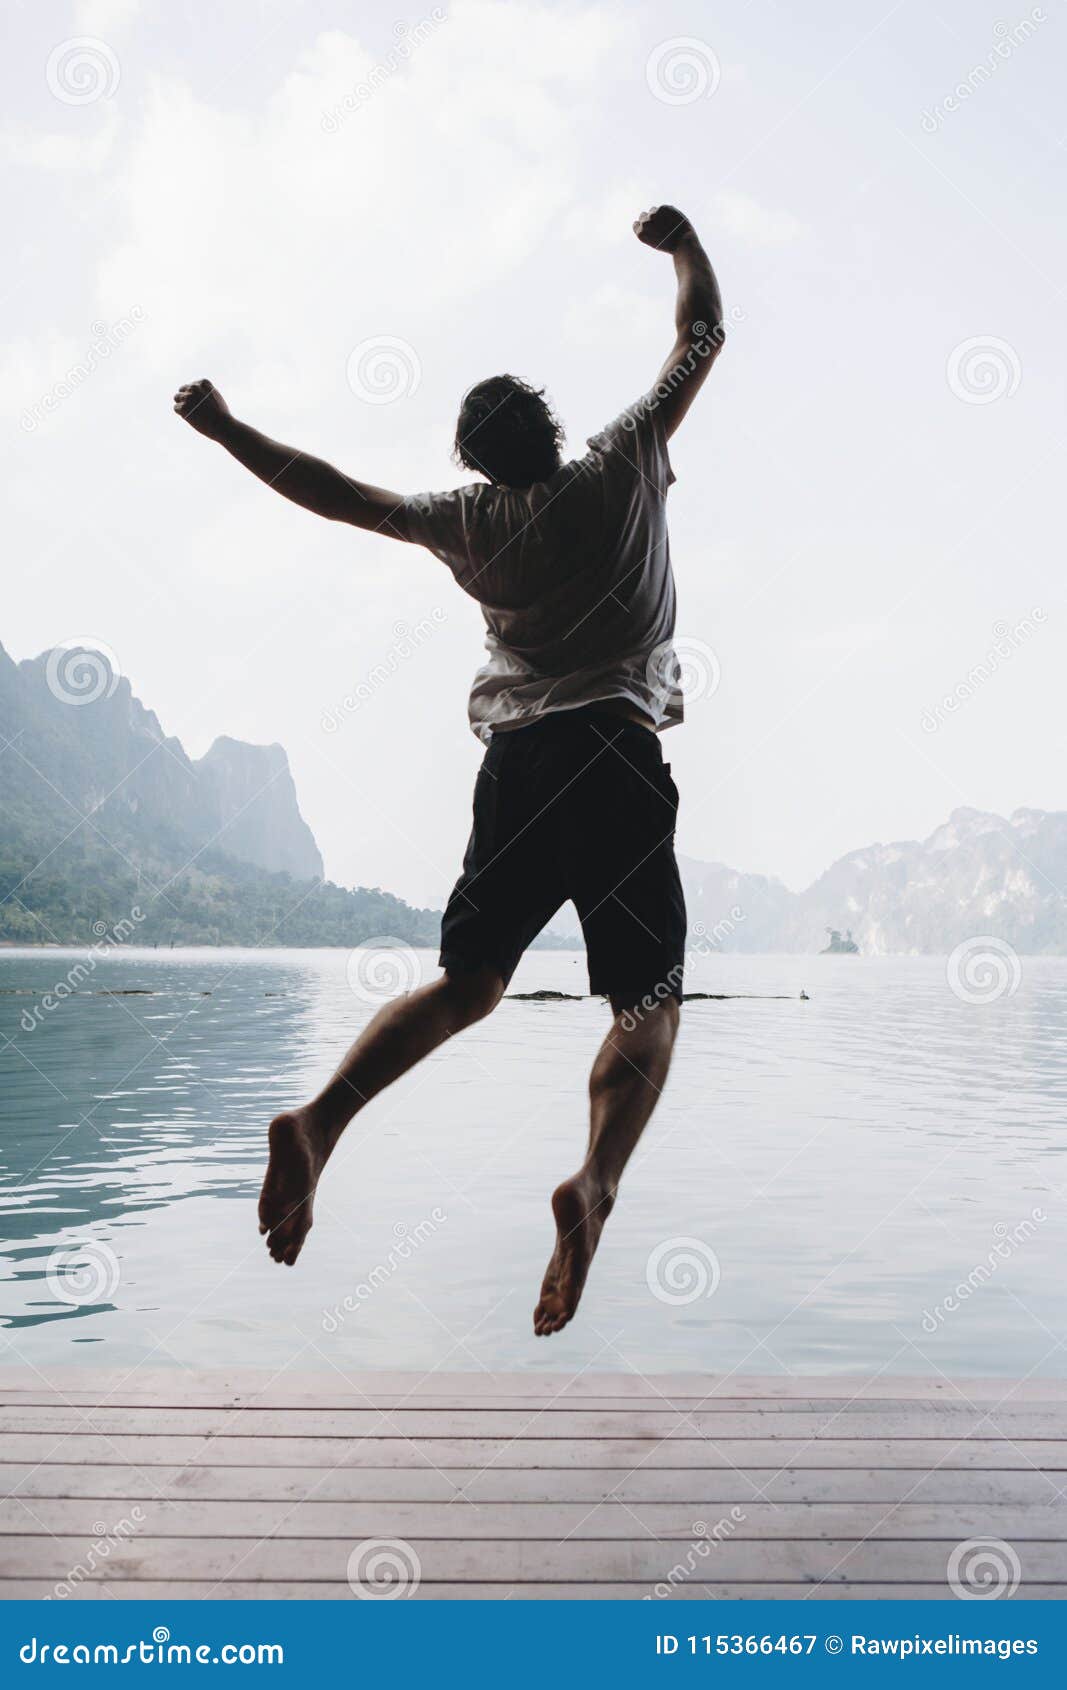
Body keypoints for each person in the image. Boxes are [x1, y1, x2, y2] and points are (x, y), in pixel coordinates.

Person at [173, 205, 725, 1335]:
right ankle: (594, 1182)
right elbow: (701, 335)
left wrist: (224, 428)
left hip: (517, 763)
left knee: (469, 985)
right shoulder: (623, 461)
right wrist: (679, 243)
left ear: (474, 462)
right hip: (615, 755)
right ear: (552, 427)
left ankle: (321, 1120)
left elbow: (331, 490)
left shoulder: (463, 522)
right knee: (647, 998)